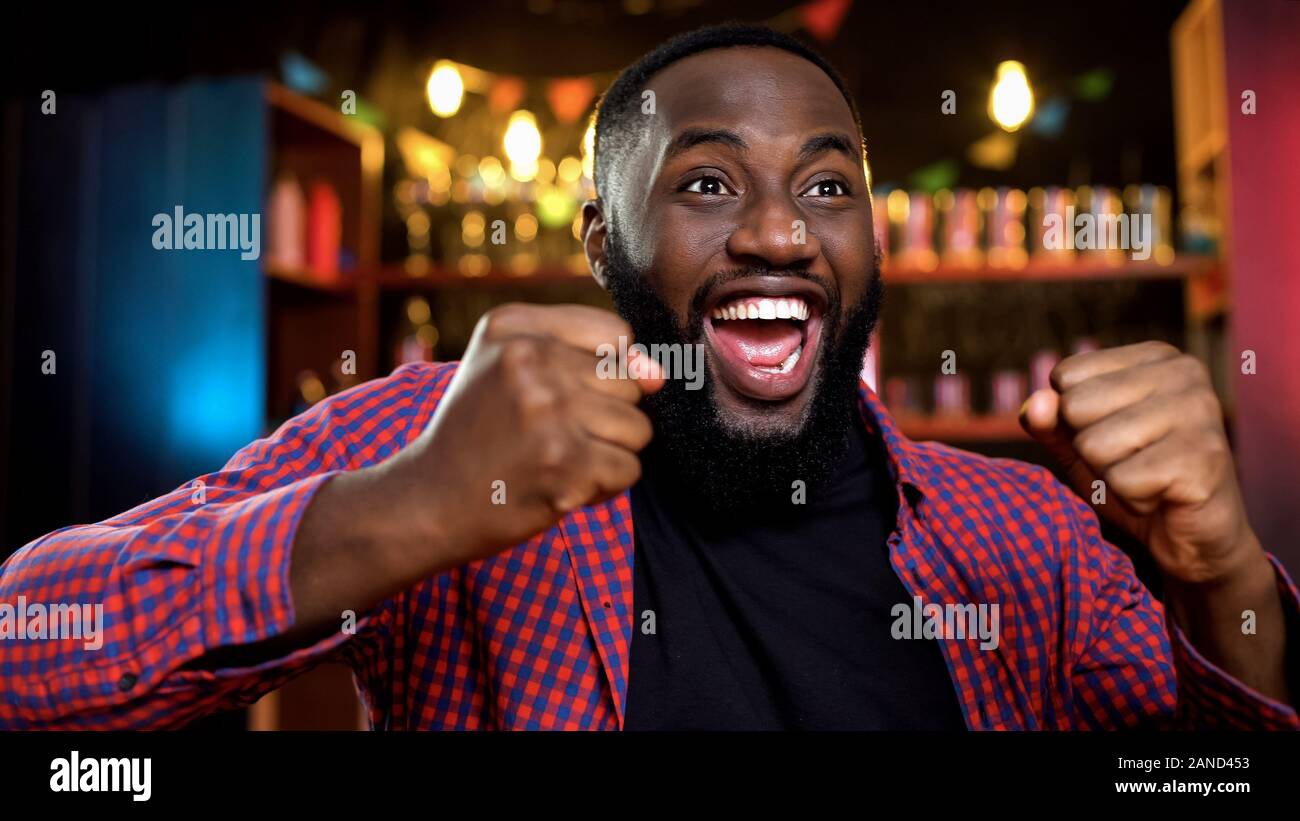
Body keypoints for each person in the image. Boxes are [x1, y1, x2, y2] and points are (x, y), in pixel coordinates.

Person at [1, 24, 1295, 730]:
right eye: (709, 183)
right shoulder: (439, 437)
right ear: (601, 244)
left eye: (829, 185)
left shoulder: (1030, 541)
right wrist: (404, 509)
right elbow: (25, 645)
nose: (783, 231)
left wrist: (1226, 578)